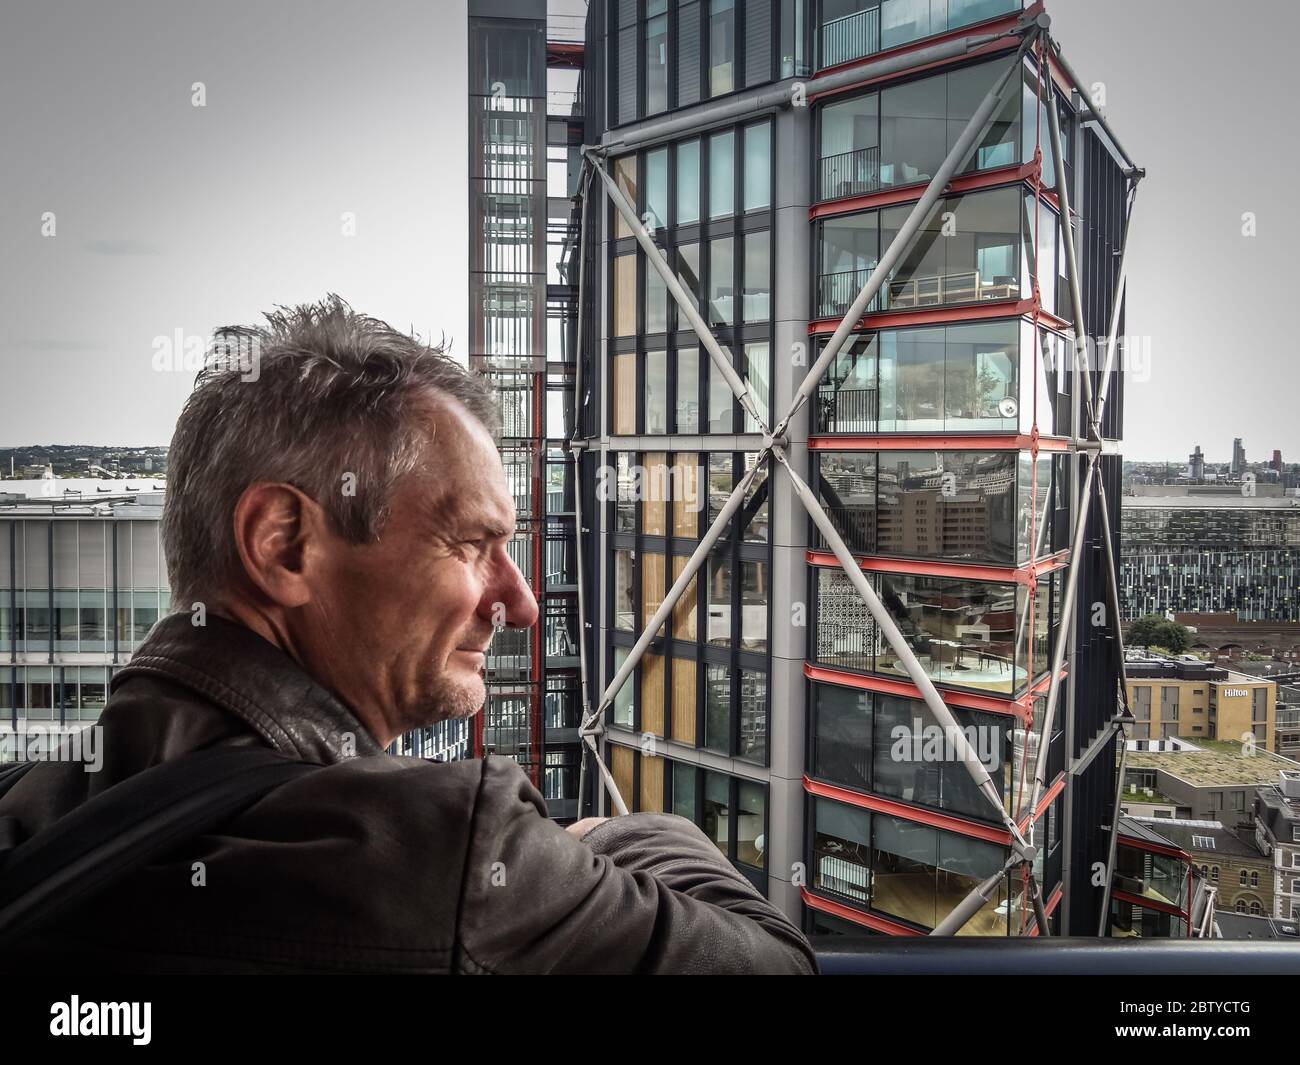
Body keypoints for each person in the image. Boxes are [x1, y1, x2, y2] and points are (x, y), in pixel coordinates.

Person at [0, 296, 817, 975]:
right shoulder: (443, 856)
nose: (521, 602)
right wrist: (617, 835)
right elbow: (774, 963)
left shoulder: (25, 803)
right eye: (470, 545)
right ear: (284, 542)